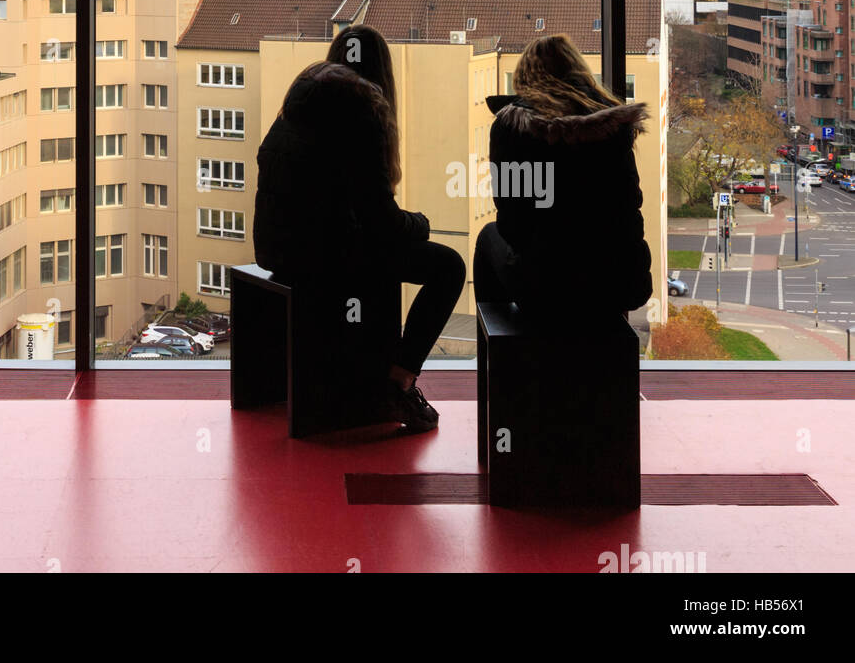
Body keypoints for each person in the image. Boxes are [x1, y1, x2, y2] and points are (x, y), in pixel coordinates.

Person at [255, 33, 465, 434]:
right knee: (448, 266)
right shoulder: (362, 113)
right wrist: (419, 225)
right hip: (327, 257)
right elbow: (381, 221)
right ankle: (398, 381)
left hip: (277, 251)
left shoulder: (298, 104)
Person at [475, 33, 653, 321]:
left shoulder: (513, 128)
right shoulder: (612, 125)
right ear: (578, 71)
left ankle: (502, 352)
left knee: (488, 237)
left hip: (547, 289)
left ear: (525, 78)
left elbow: (511, 223)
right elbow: (630, 205)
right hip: (621, 284)